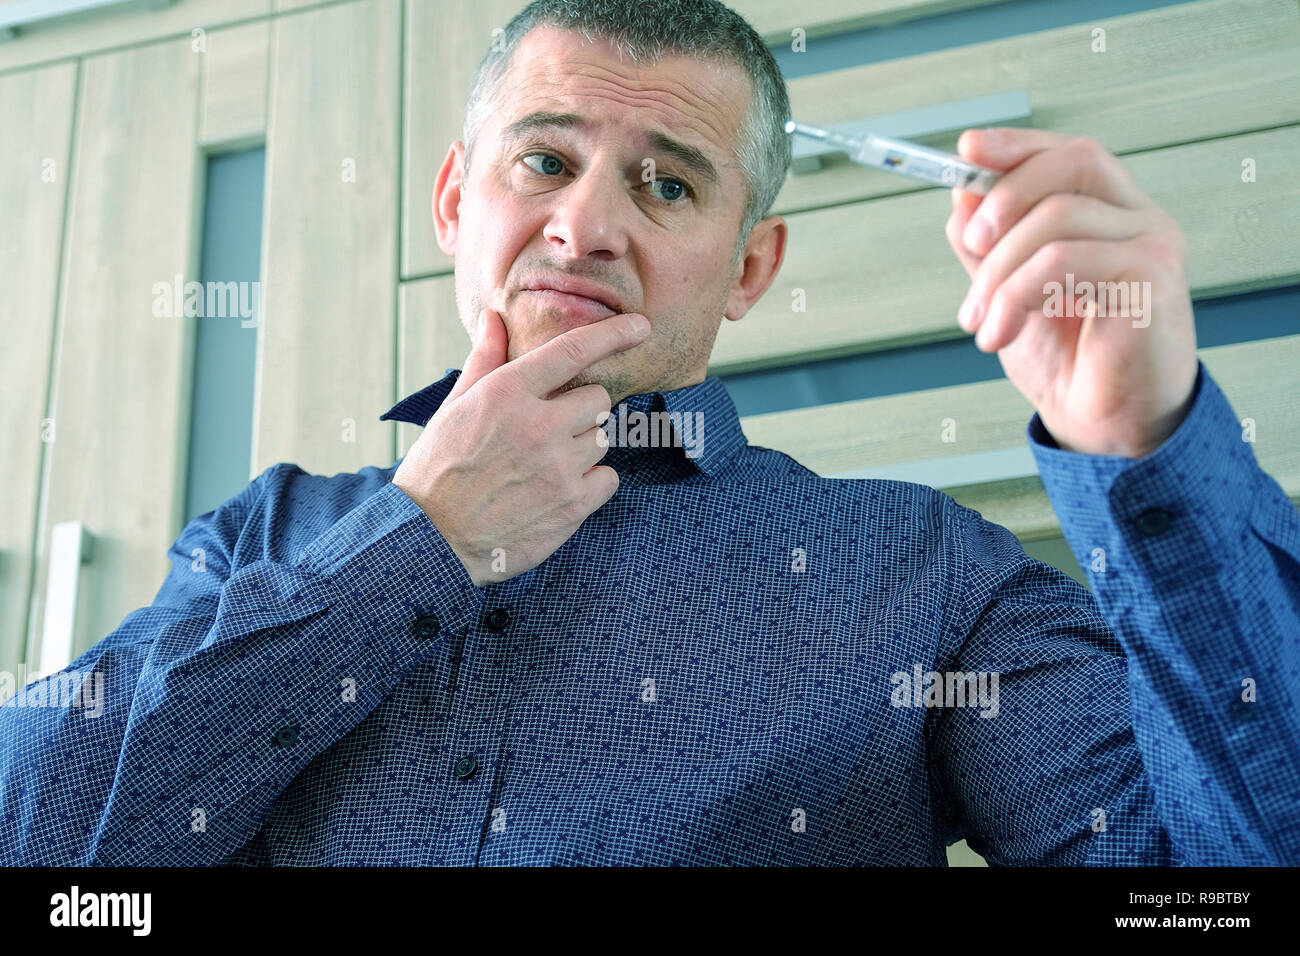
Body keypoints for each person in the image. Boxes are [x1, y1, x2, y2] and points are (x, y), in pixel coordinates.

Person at [2, 0, 1296, 866]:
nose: (586, 227)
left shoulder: (931, 581)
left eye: (668, 182)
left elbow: (1212, 884)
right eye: (545, 163)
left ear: (749, 266)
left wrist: (1150, 449)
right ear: (459, 200)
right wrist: (417, 547)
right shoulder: (265, 539)